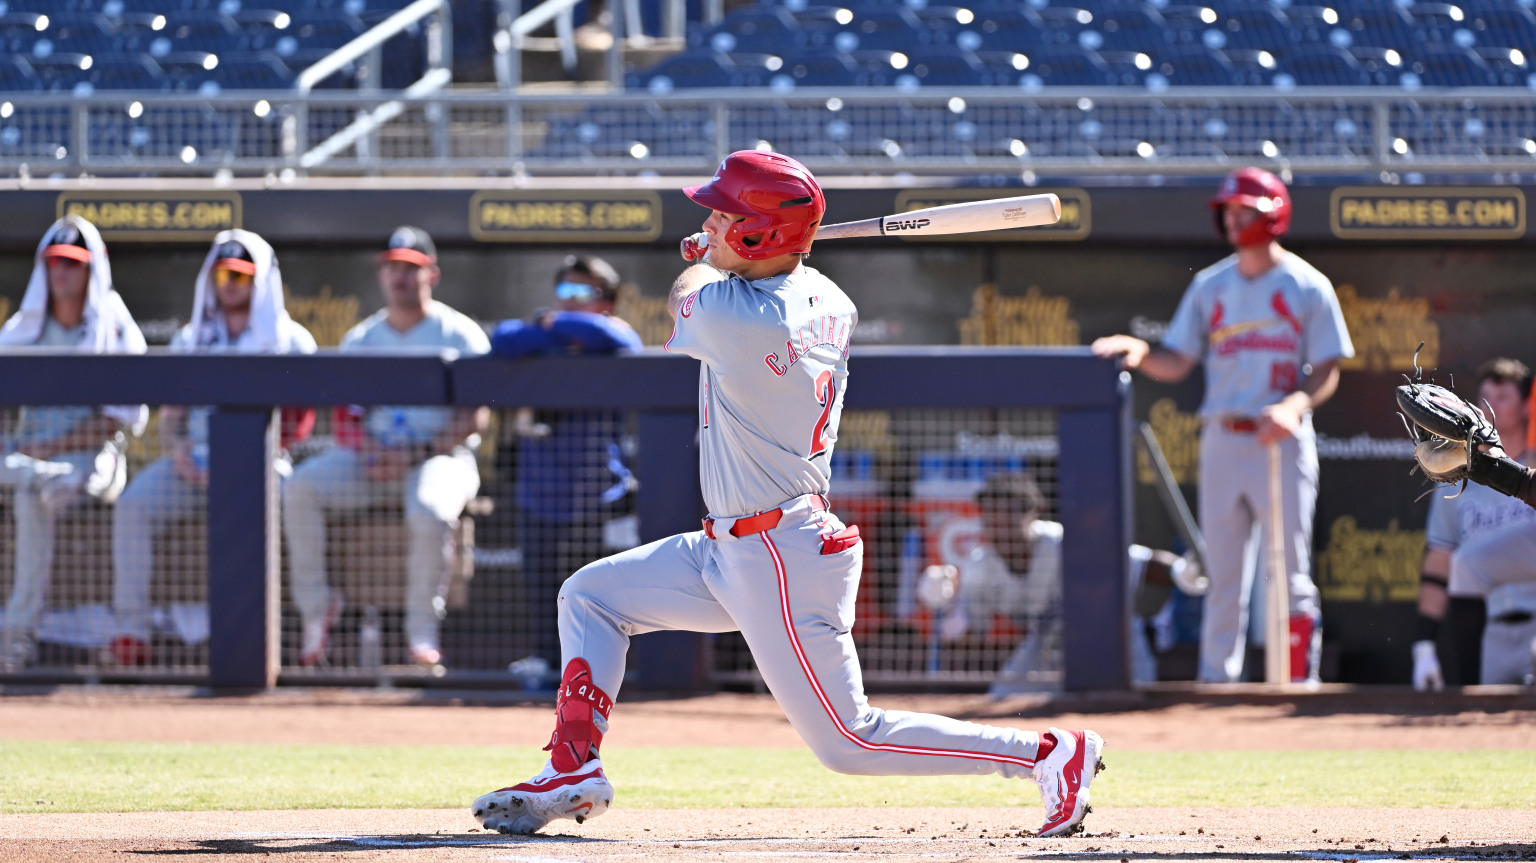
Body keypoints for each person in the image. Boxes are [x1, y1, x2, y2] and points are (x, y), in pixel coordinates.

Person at [470, 151, 1105, 839]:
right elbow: (745, 279)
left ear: (757, 236)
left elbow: (688, 291)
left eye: (724, 214)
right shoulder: (828, 296)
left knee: (850, 741)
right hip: (735, 545)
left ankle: (1047, 753)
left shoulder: (739, 317)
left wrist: (704, 256)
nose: (709, 221)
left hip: (778, 555)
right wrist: (728, 249)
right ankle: (573, 766)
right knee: (591, 594)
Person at [1091, 167, 1354, 684]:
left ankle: (1298, 685)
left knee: (1289, 572)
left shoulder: (1306, 283)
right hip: (1223, 438)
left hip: (1280, 439)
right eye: (1228, 211)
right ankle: (1219, 686)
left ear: (1272, 213)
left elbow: (1327, 368)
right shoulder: (1211, 285)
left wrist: (1294, 406)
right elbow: (1177, 361)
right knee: (1222, 574)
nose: (1233, 219)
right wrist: (1140, 351)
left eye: (1244, 210)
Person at [106, 231, 318, 667]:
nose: (231, 283)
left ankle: (296, 632)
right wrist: (180, 453)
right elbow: (171, 419)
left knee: (296, 501)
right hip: (196, 463)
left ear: (259, 282)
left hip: (262, 466)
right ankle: (131, 632)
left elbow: (302, 423)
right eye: (223, 273)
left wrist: (260, 455)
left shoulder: (290, 339)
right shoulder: (191, 338)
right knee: (133, 506)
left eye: (240, 275)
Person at [283, 226, 490, 668]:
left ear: (431, 275)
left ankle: (421, 633)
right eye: (393, 267)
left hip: (440, 458)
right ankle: (317, 614)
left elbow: (476, 418)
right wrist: (370, 452)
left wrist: (412, 454)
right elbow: (345, 418)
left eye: (410, 268)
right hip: (372, 460)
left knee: (431, 509)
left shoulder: (461, 333)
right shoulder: (362, 338)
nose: (400, 277)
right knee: (300, 487)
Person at [0, 216, 147, 670]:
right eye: (54, 263)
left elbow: (122, 420)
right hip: (28, 458)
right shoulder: (27, 327)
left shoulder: (112, 323)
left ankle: (16, 638)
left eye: (72, 264)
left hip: (87, 460)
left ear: (90, 270)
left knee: (38, 491)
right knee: (33, 482)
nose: (61, 273)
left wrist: (53, 447)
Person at [490, 255, 642, 684]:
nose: (571, 303)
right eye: (566, 293)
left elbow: (614, 337)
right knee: (546, 592)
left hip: (598, 496)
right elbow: (501, 338)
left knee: (600, 595)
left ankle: (606, 673)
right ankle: (545, 660)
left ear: (607, 301)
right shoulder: (542, 339)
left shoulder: (611, 337)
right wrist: (549, 327)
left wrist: (551, 322)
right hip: (539, 492)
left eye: (584, 294)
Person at [946, 471, 1195, 694]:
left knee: (1120, 707)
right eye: (991, 522)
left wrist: (1181, 571)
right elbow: (970, 637)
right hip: (1046, 651)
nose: (998, 531)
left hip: (1109, 646)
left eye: (1006, 520)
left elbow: (1143, 563)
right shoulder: (982, 565)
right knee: (1001, 699)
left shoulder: (1065, 544)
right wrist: (945, 606)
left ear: (1033, 514)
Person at [1411, 358, 1536, 690]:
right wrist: (1424, 645)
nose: (1490, 405)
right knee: (1466, 563)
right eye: (1485, 397)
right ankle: (1467, 699)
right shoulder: (1458, 475)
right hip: (1490, 629)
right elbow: (1441, 563)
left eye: (1503, 397)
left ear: (1526, 406)